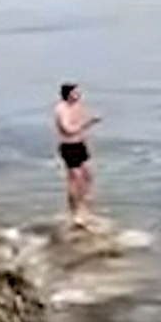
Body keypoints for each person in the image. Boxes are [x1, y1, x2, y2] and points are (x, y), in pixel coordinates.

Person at [53, 82, 102, 228]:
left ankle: (84, 204)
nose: (78, 95)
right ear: (67, 95)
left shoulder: (78, 106)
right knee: (75, 177)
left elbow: (81, 121)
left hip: (80, 145)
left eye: (78, 93)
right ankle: (74, 210)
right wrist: (88, 123)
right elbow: (68, 129)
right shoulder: (61, 109)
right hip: (69, 146)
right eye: (74, 93)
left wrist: (88, 121)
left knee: (87, 175)